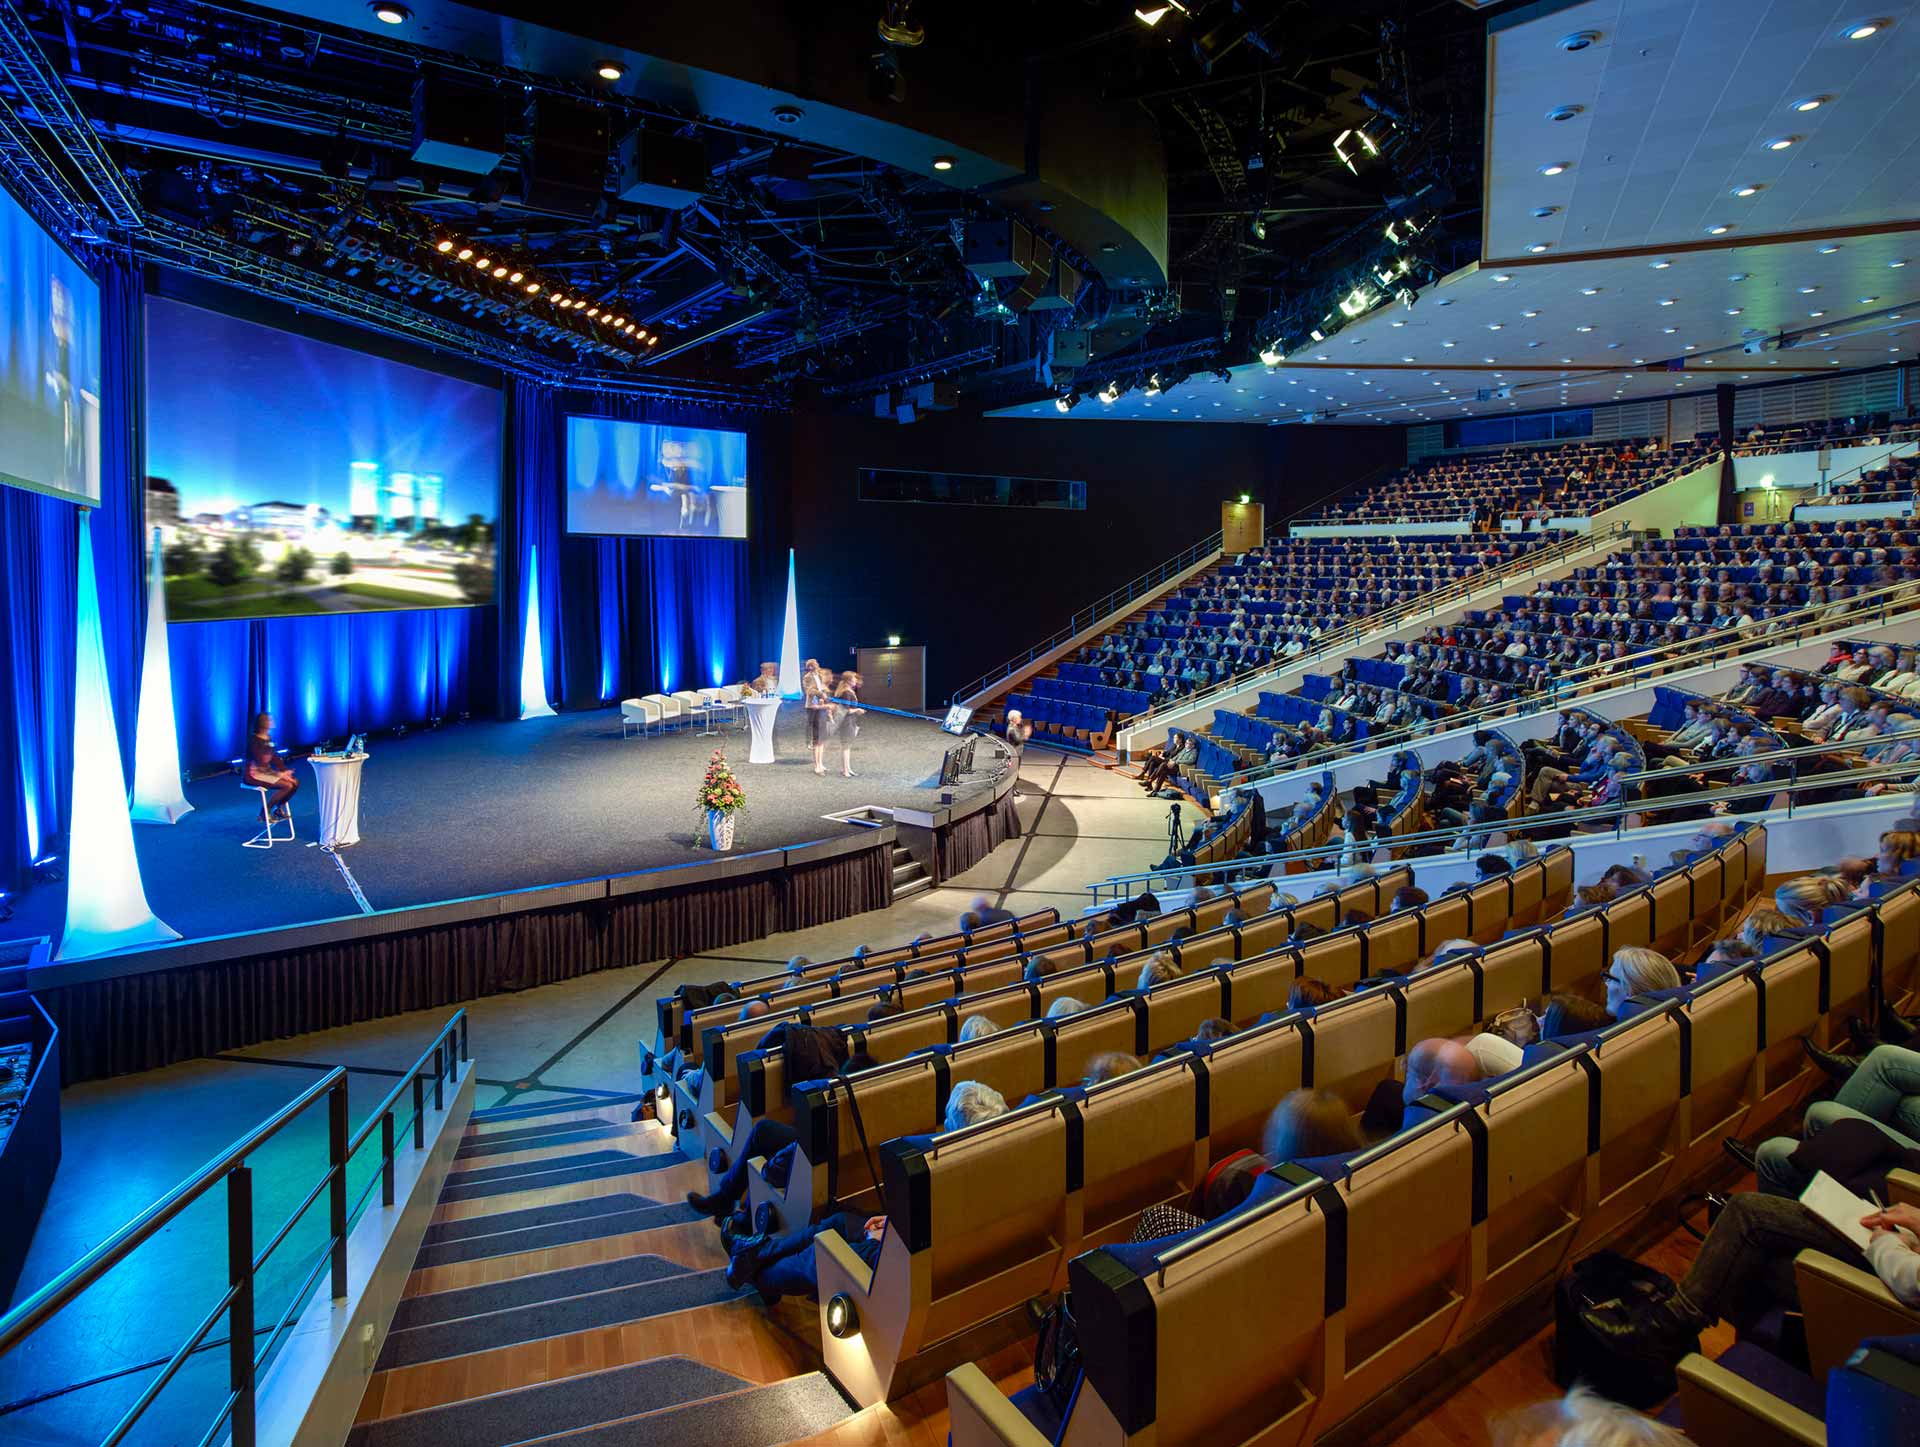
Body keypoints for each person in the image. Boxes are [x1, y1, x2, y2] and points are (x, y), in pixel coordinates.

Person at [1579, 1191, 1920, 1365]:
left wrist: (1890, 1242)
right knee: (1753, 1256)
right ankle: (1682, 1334)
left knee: (1747, 1216)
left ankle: (1669, 1327)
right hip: (1907, 1247)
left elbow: (1912, 1282)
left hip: (1900, 1287)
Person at [244, 712, 299, 820]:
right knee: (287, 785)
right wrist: (279, 774)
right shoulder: (254, 741)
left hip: (266, 772)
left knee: (295, 782)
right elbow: (260, 763)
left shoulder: (268, 738)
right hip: (254, 775)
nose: (271, 721)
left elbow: (274, 756)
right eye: (269, 720)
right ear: (262, 723)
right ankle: (265, 811)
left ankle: (279, 808)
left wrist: (284, 771)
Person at [830, 671, 864, 778]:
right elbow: (846, 710)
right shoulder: (846, 693)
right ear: (849, 681)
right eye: (854, 678)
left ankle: (847, 768)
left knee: (847, 746)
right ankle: (845, 770)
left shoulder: (848, 691)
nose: (856, 680)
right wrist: (857, 710)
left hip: (850, 721)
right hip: (847, 722)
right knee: (846, 747)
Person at [802, 658, 831, 775]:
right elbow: (809, 691)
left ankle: (821, 763)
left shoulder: (818, 676)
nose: (814, 667)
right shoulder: (807, 677)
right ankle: (817, 766)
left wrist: (824, 694)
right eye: (811, 665)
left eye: (815, 665)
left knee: (821, 738)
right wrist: (821, 694)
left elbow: (821, 688)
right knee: (817, 738)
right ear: (809, 667)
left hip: (821, 706)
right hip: (812, 707)